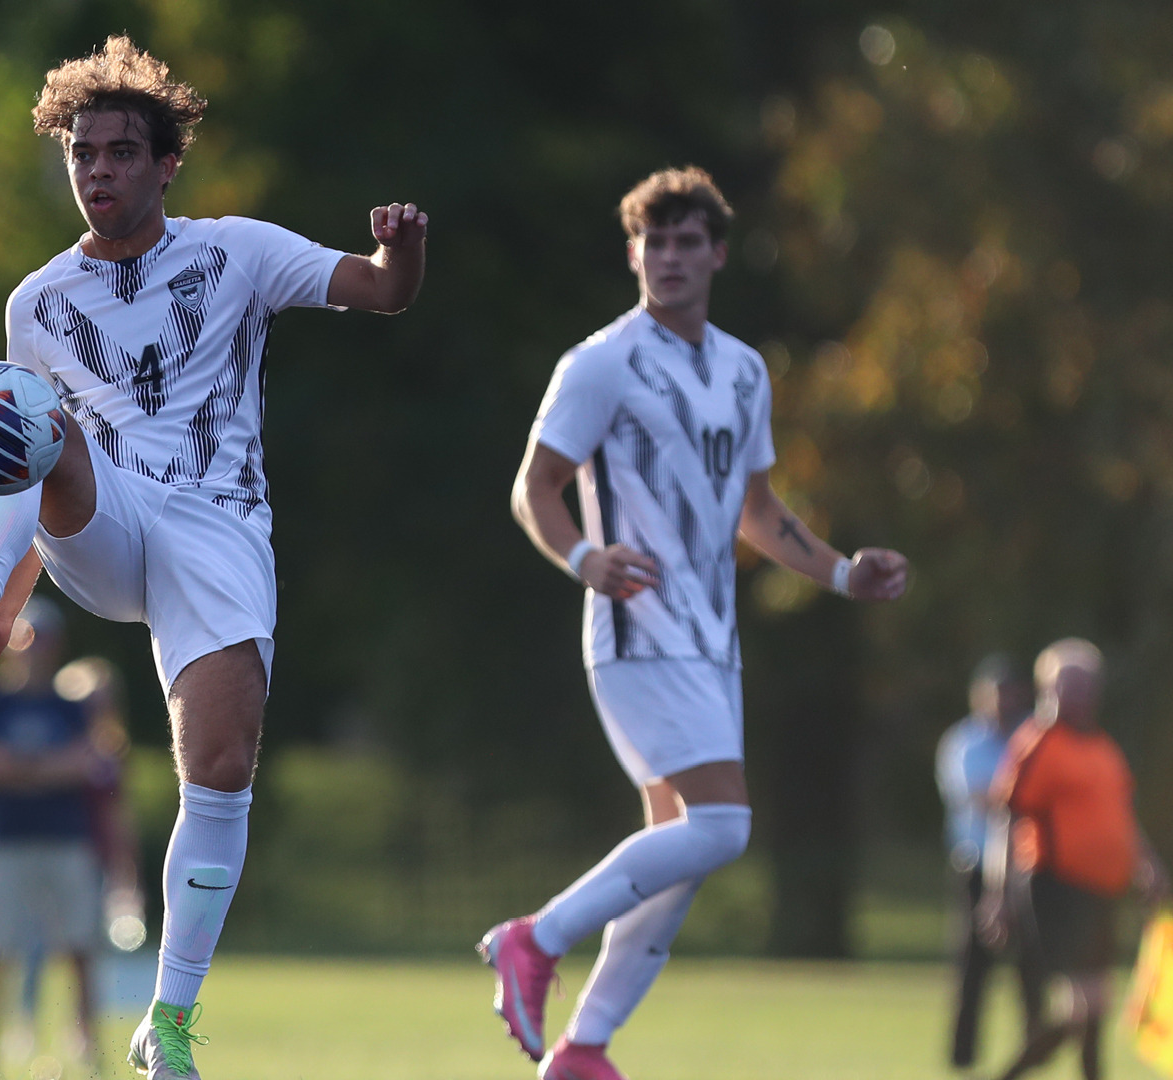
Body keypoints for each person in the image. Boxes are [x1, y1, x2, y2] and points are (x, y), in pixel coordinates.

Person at [0, 35, 426, 1080]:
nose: (99, 171)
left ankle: (167, 1023)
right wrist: (4, 609)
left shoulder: (237, 253)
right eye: (83, 153)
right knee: (22, 413)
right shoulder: (37, 302)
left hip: (217, 528)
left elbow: (383, 293)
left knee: (221, 768)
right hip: (105, 519)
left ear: (167, 164)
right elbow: (20, 477)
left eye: (121, 152)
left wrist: (402, 250)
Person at [487, 167, 910, 1080]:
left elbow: (756, 509)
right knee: (722, 827)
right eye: (655, 241)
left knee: (677, 849)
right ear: (632, 254)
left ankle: (584, 1048)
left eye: (687, 241)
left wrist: (843, 572)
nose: (669, 256)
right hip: (636, 631)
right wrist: (583, 558)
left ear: (719, 254)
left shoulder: (745, 370)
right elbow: (535, 487)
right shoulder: (601, 363)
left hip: (713, 641)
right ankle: (534, 939)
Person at [979, 639, 1169, 1080]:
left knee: (1093, 1002)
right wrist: (997, 894)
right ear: (1047, 689)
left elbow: (1121, 816)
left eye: (1085, 685)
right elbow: (1008, 819)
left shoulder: (1103, 748)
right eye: (1067, 685)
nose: (1077, 694)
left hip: (1102, 891)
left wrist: (1147, 864)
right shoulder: (1039, 744)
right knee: (1087, 1000)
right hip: (1057, 884)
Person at [0, 599, 112, 1079]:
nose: (37, 647)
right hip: (7, 842)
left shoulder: (74, 707)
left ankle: (88, 1051)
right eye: (30, 637)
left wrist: (22, 768)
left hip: (68, 842)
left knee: (80, 949)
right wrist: (49, 768)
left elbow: (85, 763)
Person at [937, 653, 1044, 1071]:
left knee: (1031, 963)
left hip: (1026, 867)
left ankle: (1035, 1051)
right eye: (994, 693)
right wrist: (1020, 795)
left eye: (1008, 692)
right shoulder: (963, 742)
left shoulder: (1032, 735)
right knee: (971, 963)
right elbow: (983, 798)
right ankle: (963, 1058)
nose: (1001, 701)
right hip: (976, 865)